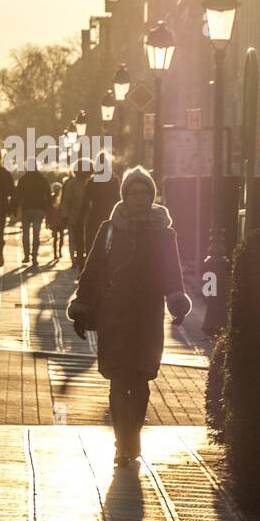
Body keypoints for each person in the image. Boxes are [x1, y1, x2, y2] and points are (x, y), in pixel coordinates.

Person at [67, 168, 191, 468]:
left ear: (152, 195)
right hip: (115, 313)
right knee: (119, 379)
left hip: (148, 314)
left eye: (145, 192)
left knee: (142, 377)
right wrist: (82, 305)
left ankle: (132, 435)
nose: (139, 198)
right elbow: (93, 270)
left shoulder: (164, 233)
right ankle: (123, 441)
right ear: (125, 196)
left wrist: (177, 301)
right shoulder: (109, 228)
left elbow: (172, 272)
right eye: (134, 193)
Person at [81, 156, 123, 265]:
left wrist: (82, 217)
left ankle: (93, 266)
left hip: (95, 215)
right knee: (110, 242)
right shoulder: (114, 180)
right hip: (110, 215)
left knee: (93, 242)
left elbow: (85, 201)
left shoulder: (91, 181)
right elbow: (118, 199)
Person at [15, 162, 51, 267]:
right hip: (39, 209)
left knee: (25, 234)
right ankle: (34, 256)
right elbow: (48, 194)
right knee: (36, 234)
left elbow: (18, 194)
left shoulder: (23, 179)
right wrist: (48, 208)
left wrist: (14, 207)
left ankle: (26, 255)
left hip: (26, 209)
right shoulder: (42, 179)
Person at [59, 165, 85, 268]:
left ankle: (76, 259)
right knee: (76, 239)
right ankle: (75, 259)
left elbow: (65, 201)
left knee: (74, 239)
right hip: (76, 217)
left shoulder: (90, 183)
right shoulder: (72, 184)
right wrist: (65, 215)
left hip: (77, 217)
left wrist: (65, 215)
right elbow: (66, 201)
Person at [46, 181, 65, 261]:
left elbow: (48, 211)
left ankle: (56, 253)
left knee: (56, 238)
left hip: (55, 220)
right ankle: (58, 252)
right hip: (59, 220)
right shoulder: (62, 198)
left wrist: (47, 221)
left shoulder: (51, 198)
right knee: (60, 237)